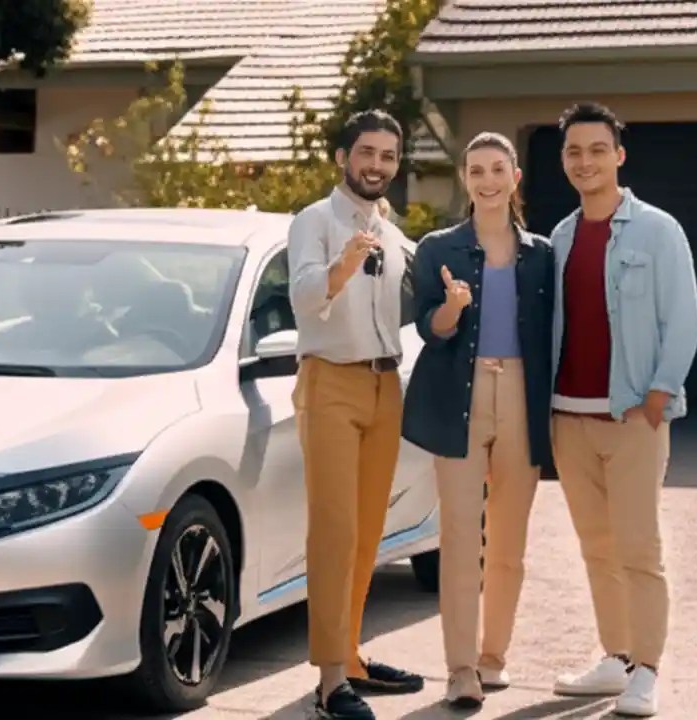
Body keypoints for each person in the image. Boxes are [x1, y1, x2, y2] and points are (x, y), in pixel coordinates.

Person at [547, 102, 697, 718]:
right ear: (564, 162)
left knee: (639, 549)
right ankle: (615, 657)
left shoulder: (658, 230)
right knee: (596, 548)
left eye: (595, 149)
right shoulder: (557, 237)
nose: (585, 161)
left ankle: (647, 669)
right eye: (573, 152)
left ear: (619, 155)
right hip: (569, 416)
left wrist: (659, 396)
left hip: (633, 416)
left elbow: (685, 318)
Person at [400, 132, 555, 708]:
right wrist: (455, 307)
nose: (486, 180)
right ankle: (460, 667)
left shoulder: (541, 253)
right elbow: (429, 330)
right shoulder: (438, 248)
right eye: (475, 170)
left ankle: (494, 657)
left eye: (497, 169)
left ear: (515, 178)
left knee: (510, 542)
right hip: (459, 398)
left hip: (521, 394)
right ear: (465, 178)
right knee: (461, 539)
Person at [287, 109, 425, 720]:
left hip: (384, 384)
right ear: (344, 157)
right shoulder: (313, 221)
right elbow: (303, 298)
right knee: (335, 531)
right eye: (367, 152)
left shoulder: (391, 230)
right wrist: (343, 264)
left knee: (370, 532)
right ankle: (327, 683)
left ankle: (352, 657)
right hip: (331, 385)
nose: (377, 166)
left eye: (388, 156)